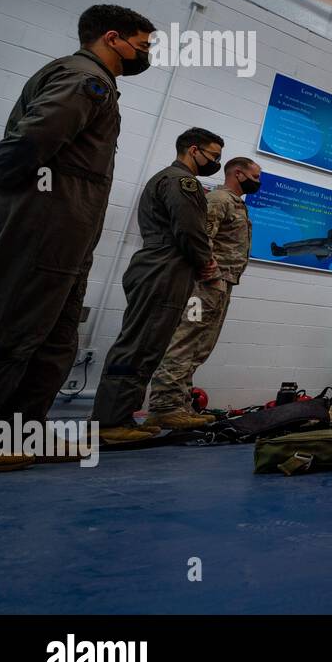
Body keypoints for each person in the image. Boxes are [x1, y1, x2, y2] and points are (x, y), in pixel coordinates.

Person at [0, 5, 154, 470]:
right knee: (16, 327)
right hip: (45, 223)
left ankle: (23, 432)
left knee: (56, 338)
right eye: (142, 45)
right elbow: (29, 143)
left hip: (68, 230)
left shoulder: (97, 84)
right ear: (112, 38)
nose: (146, 55)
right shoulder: (86, 79)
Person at [91, 128, 222, 442]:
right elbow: (189, 229)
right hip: (164, 266)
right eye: (213, 155)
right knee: (139, 345)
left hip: (163, 265)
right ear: (193, 150)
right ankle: (109, 423)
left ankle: (122, 417)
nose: (216, 162)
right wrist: (205, 261)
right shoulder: (182, 181)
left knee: (148, 346)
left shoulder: (168, 179)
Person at [145, 157, 260, 429]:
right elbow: (202, 237)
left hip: (222, 284)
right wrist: (211, 271)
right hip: (206, 284)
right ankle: (164, 406)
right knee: (185, 341)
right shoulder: (219, 199)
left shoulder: (236, 203)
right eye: (255, 176)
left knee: (200, 347)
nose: (257, 182)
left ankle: (181, 405)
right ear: (238, 173)